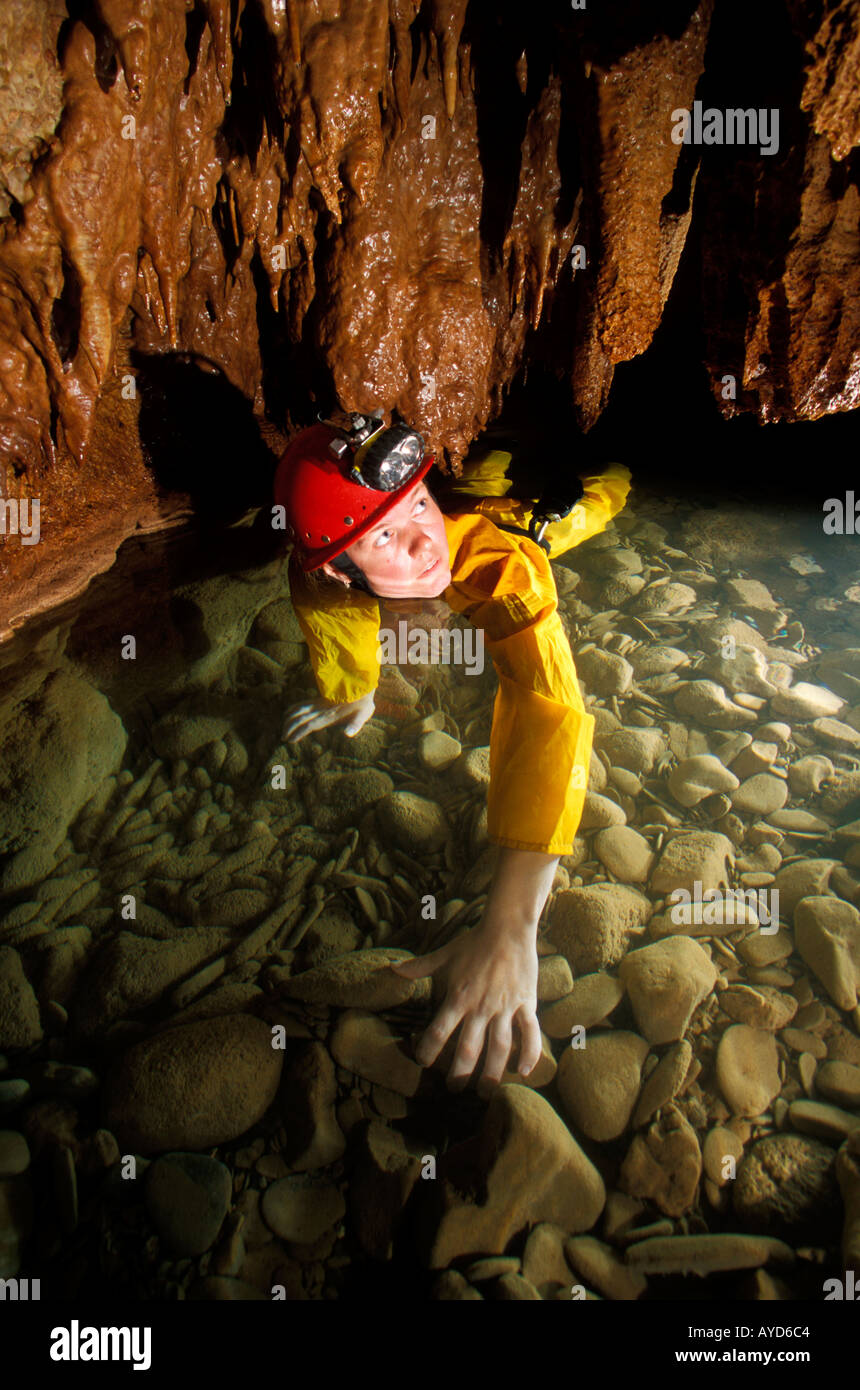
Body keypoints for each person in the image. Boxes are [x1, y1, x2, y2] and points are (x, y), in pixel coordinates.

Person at [273, 412, 632, 1099]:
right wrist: (353, 692)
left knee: (598, 501)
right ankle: (489, 457)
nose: (421, 538)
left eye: (417, 503)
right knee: (476, 481)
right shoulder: (320, 577)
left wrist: (510, 926)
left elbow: (548, 710)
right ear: (344, 572)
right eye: (384, 535)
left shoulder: (504, 569)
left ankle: (609, 461)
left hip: (513, 525)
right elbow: (328, 612)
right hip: (433, 520)